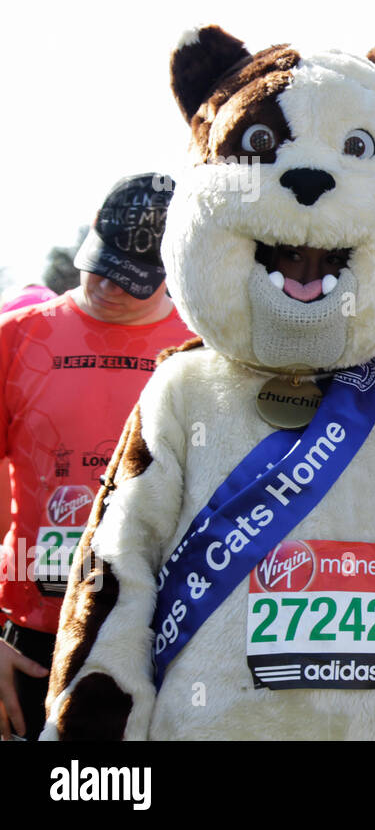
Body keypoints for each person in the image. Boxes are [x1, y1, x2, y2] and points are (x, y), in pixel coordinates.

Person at [0, 173, 194, 739]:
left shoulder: (202, 351)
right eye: (102, 264)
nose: (109, 286)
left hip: (159, 637)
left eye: (133, 279)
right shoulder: (17, 339)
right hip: (30, 638)